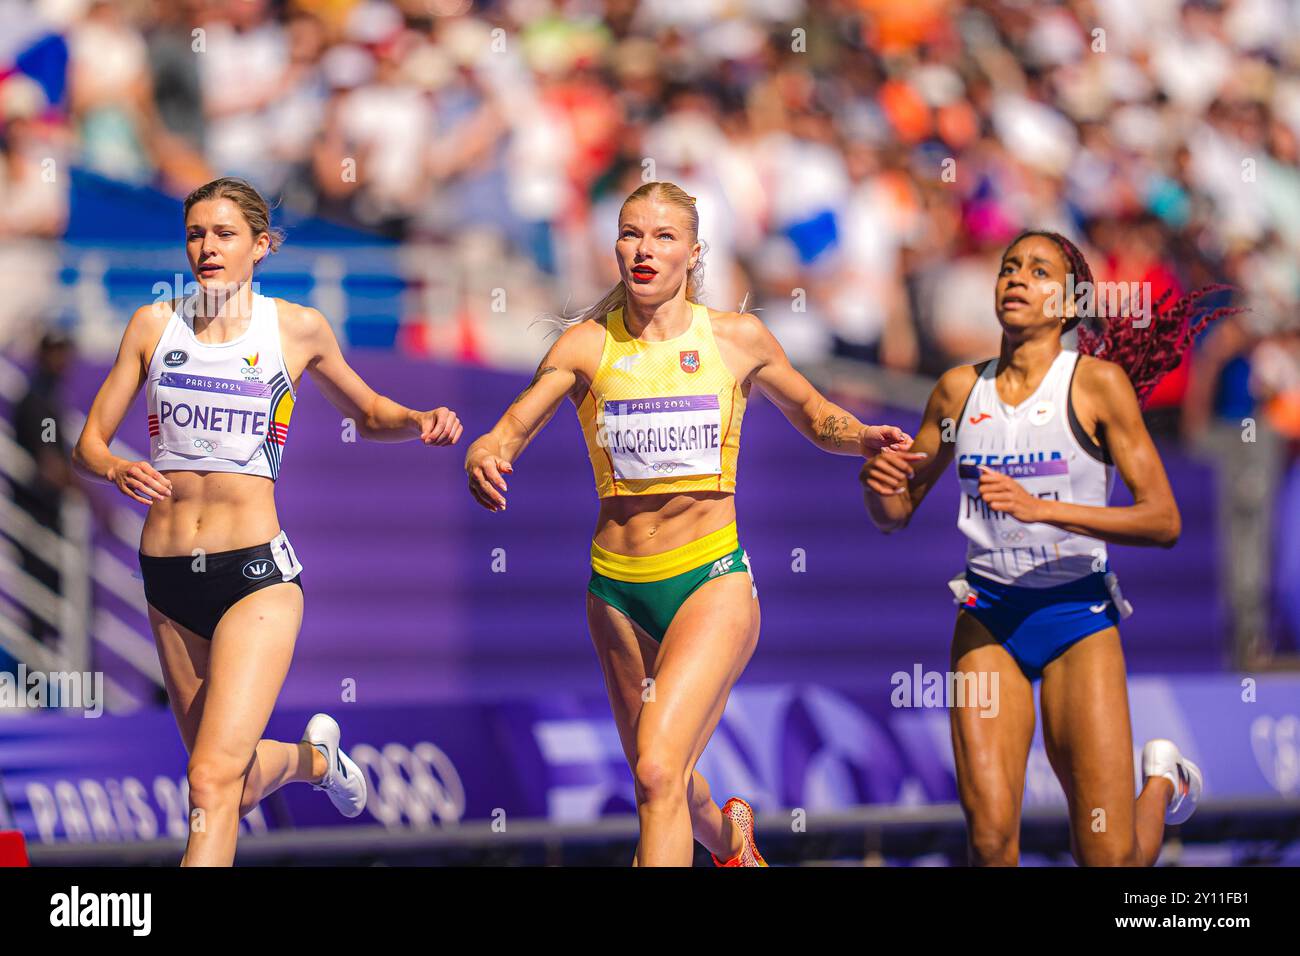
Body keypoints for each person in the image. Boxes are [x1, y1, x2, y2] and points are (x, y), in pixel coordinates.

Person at [465, 181, 911, 866]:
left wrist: (862, 439)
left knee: (653, 772)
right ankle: (731, 838)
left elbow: (818, 416)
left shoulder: (738, 339)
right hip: (616, 593)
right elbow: (515, 424)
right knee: (665, 777)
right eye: (631, 233)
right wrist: (488, 451)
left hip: (712, 580)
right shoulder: (586, 345)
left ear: (694, 253)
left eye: (663, 236)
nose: (644, 250)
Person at [73, 177, 462, 866]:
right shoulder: (153, 325)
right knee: (228, 780)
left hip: (255, 575)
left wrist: (418, 418)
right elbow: (90, 443)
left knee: (209, 782)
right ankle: (316, 760)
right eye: (196, 234)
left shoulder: (296, 328)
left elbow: (368, 414)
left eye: (224, 234)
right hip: (166, 576)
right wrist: (114, 468)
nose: (207, 248)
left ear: (262, 245)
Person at [861, 230, 1238, 866]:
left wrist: (1046, 510)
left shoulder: (1096, 386)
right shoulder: (958, 392)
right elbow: (894, 513)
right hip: (988, 615)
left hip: (1077, 616)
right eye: (1009, 268)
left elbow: (1164, 520)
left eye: (1038, 271)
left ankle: (1164, 780)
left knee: (1109, 857)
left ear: (1068, 304)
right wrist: (877, 485)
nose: (1016, 279)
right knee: (988, 840)